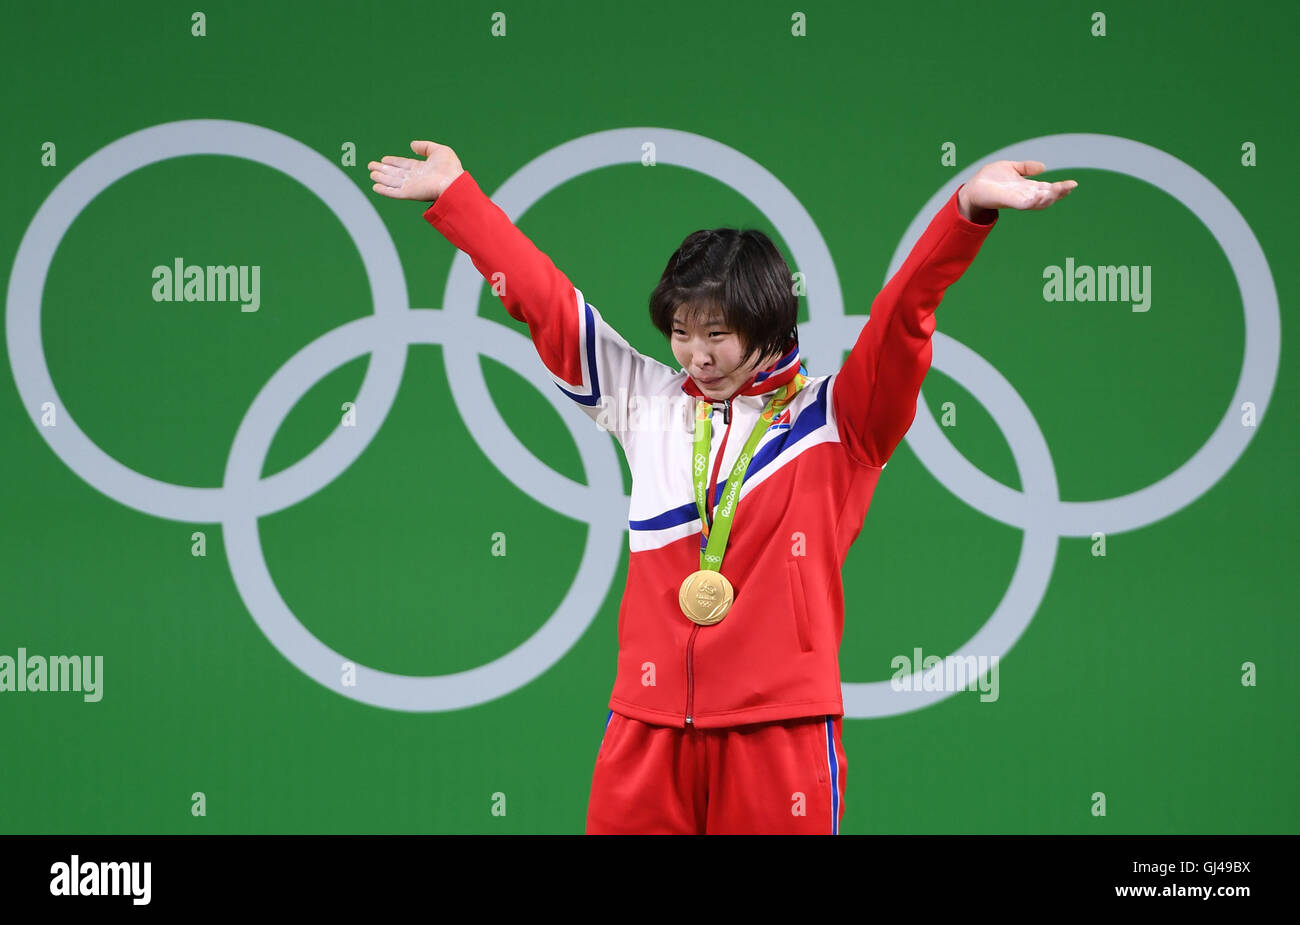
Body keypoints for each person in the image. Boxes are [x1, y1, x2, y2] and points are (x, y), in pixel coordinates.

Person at [369, 141, 1076, 834]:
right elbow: (549, 305)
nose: (696, 355)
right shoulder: (647, 400)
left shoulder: (843, 418)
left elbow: (905, 316)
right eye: (680, 331)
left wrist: (965, 212)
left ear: (767, 323)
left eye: (717, 333)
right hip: (644, 733)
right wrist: (460, 199)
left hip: (779, 736)